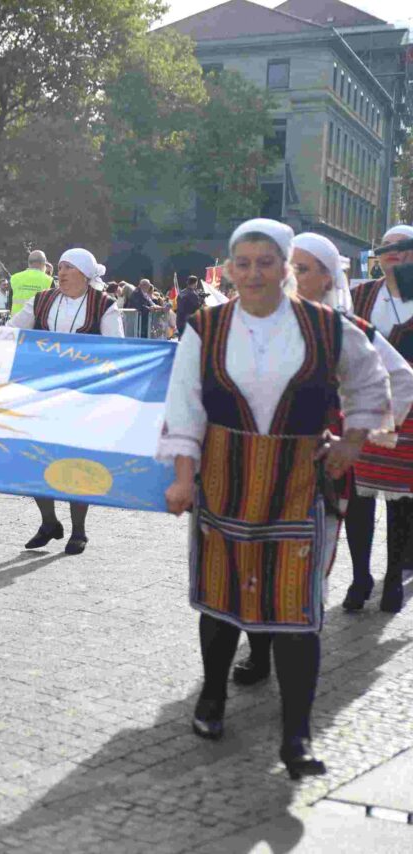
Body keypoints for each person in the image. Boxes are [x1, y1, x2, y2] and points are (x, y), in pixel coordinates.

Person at [160, 218, 393, 780]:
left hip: (297, 484)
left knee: (296, 612)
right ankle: (212, 697)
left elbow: (372, 381)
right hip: (225, 480)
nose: (254, 273)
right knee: (220, 598)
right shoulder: (205, 327)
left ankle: (297, 735)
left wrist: (353, 441)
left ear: (287, 267)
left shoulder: (326, 326)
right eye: (243, 263)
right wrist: (183, 477)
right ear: (229, 268)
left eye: (267, 262)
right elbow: (185, 403)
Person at [229, 231, 413, 686]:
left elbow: (400, 378)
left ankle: (384, 581)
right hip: (253, 460)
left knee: (300, 567)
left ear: (328, 277)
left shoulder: (342, 327)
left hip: (313, 467)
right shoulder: (245, 319)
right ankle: (258, 650)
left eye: (303, 268)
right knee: (252, 559)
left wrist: (359, 433)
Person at [9, 248, 123, 555]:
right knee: (35, 459)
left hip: (83, 398)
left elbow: (117, 354)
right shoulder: (41, 300)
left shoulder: (105, 306)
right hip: (42, 395)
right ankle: (49, 522)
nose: (60, 272)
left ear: (85, 275)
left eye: (68, 268)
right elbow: (9, 332)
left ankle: (79, 531)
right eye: (58, 267)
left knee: (76, 465)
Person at [346, 224, 413, 612]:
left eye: (404, 247)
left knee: (401, 502)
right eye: (388, 247)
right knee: (359, 498)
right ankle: (360, 577)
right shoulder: (361, 296)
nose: (395, 253)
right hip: (364, 408)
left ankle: (392, 581)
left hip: (409, 414)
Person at [9, 250, 52, 317]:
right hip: (38, 322)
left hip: (16, 321)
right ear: (44, 264)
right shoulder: (49, 280)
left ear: (29, 263)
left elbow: (10, 302)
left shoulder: (14, 278)